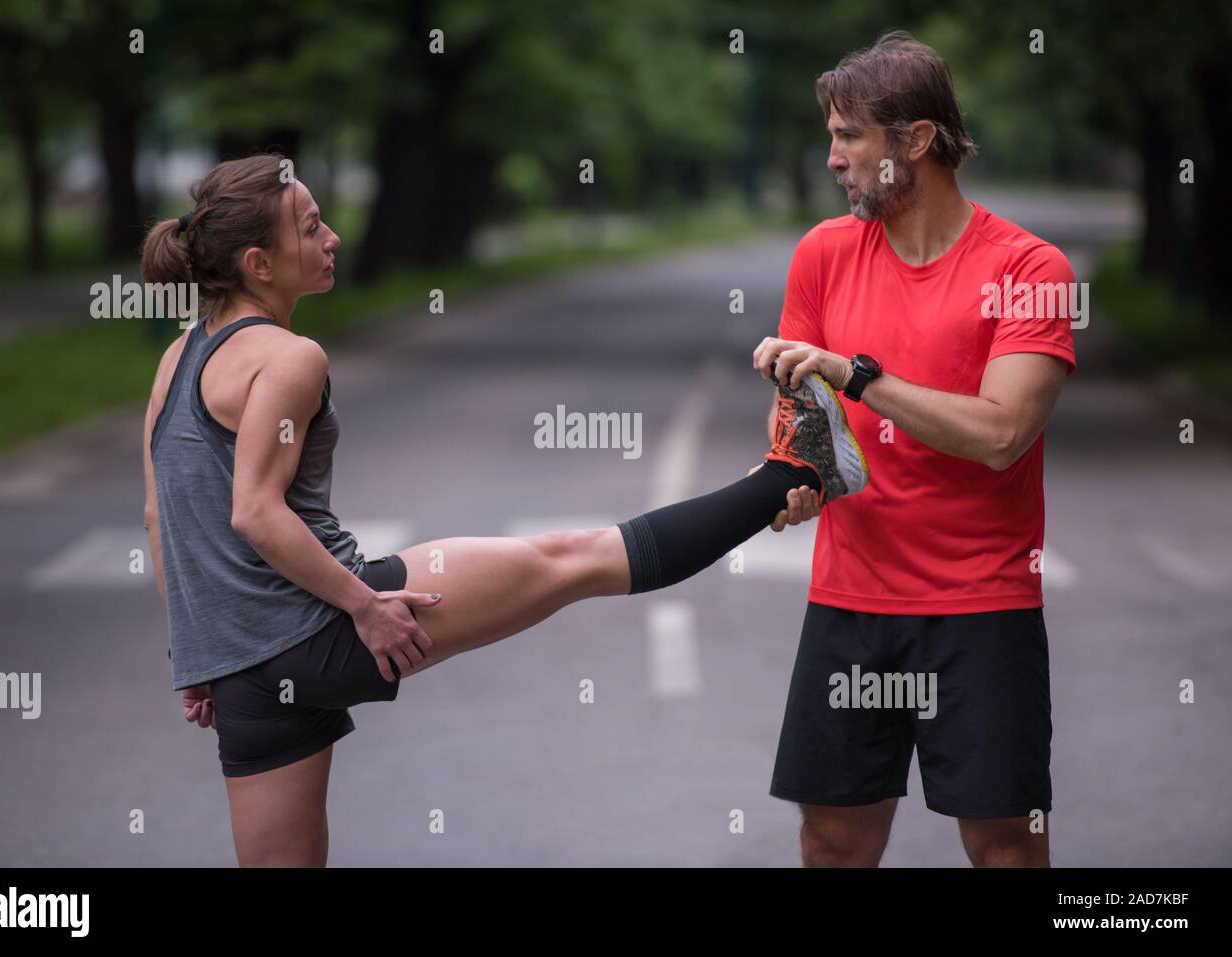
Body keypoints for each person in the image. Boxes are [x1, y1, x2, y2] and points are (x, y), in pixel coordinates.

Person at [141, 153, 869, 866]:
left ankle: (792, 469)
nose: (331, 237)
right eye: (309, 227)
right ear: (258, 265)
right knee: (574, 559)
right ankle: (798, 467)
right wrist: (364, 606)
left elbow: (159, 517)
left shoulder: (178, 360)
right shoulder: (289, 357)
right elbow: (256, 514)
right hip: (329, 620)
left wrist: (196, 656)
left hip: (241, 668)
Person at [759, 32, 1077, 868]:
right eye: (830, 136)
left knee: (1004, 842)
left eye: (848, 136)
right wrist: (799, 476)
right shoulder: (823, 254)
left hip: (982, 604)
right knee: (832, 836)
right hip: (850, 600)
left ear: (916, 141)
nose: (832, 158)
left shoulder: (1029, 268)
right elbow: (804, 423)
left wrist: (858, 377)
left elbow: (1003, 433)